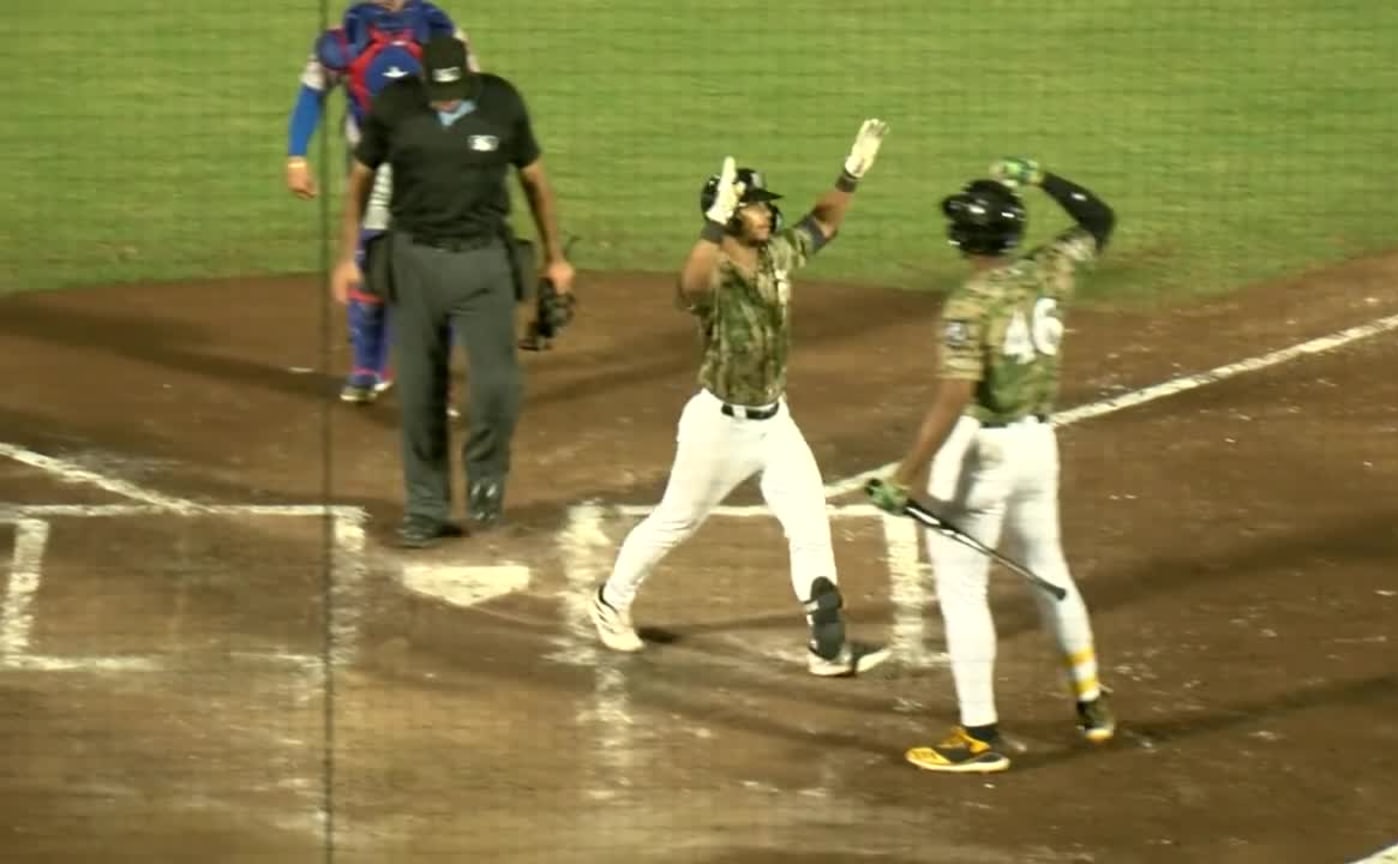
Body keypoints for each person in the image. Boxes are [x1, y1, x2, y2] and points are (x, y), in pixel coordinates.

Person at [586, 120, 895, 677]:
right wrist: (710, 225)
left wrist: (850, 174)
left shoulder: (776, 255)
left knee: (808, 521)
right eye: (755, 207)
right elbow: (690, 287)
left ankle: (828, 646)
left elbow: (822, 225)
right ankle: (611, 601)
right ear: (729, 213)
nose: (768, 214)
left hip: (776, 424)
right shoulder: (718, 271)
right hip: (718, 429)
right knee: (675, 522)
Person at [864, 155, 1118, 772]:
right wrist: (1039, 176)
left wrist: (904, 477)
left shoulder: (967, 306)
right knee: (1048, 570)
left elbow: (955, 396)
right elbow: (1098, 216)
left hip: (986, 453)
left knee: (961, 590)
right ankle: (1090, 704)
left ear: (963, 239)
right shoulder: (1050, 269)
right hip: (1040, 447)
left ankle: (980, 736)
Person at [332, 35, 575, 548]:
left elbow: (535, 180)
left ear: (469, 75)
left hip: (484, 260)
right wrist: (348, 255)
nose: (447, 100)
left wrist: (555, 258)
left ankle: (486, 478)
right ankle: (425, 506)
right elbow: (360, 177)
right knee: (420, 393)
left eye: (455, 91)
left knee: (498, 386)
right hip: (414, 260)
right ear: (424, 80)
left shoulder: (501, 102)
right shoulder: (395, 106)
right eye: (438, 92)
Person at [285, 0, 473, 409]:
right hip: (369, 167)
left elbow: (472, 93)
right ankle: (369, 368)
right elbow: (311, 94)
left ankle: (435, 379)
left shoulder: (441, 31)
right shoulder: (346, 34)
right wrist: (296, 156)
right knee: (369, 262)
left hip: (432, 165)